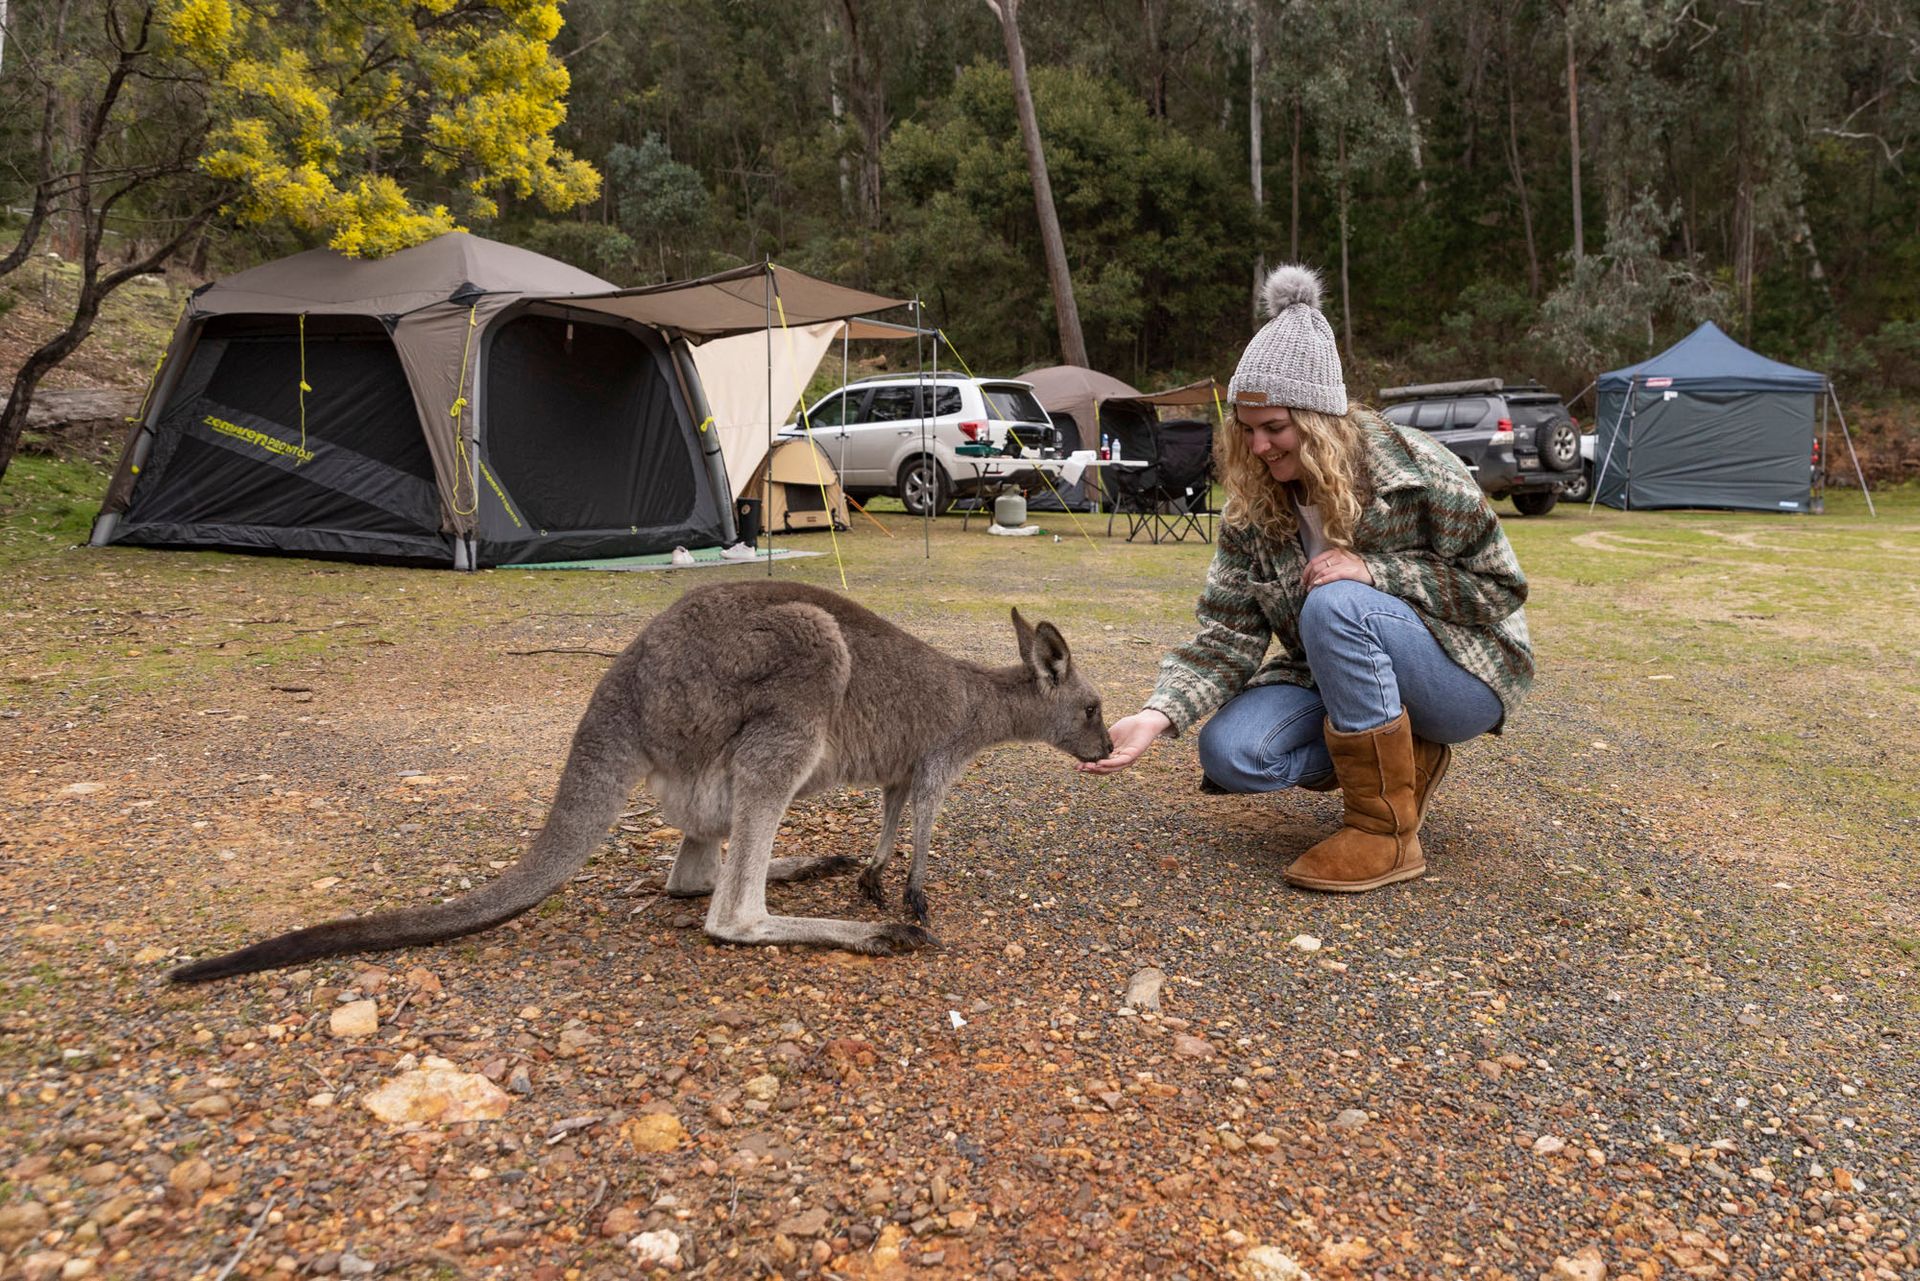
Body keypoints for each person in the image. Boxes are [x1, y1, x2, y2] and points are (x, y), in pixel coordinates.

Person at [1078, 264, 1533, 892]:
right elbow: (1227, 633)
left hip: (1463, 672)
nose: (1259, 447)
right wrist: (1156, 716)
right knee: (1234, 753)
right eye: (1247, 429)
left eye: (1275, 428)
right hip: (1333, 669)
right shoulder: (1255, 506)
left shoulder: (1421, 470)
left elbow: (1500, 590)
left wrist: (1377, 571)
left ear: (1319, 420)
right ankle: (1408, 760)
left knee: (1338, 602)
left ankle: (1383, 834)